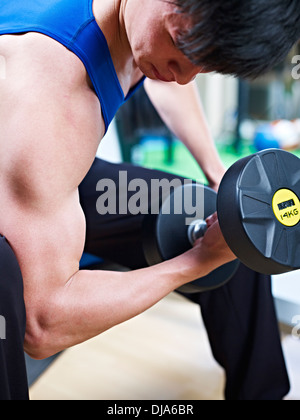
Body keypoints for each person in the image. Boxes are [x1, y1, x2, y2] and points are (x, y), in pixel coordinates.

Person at [0, 0, 299, 400]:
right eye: (181, 44)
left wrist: (219, 177)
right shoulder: (54, 95)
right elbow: (42, 326)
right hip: (27, 158)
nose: (183, 77)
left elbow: (164, 72)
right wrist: (195, 263)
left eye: (203, 63)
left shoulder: (140, 23)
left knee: (229, 220)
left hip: (38, 168)